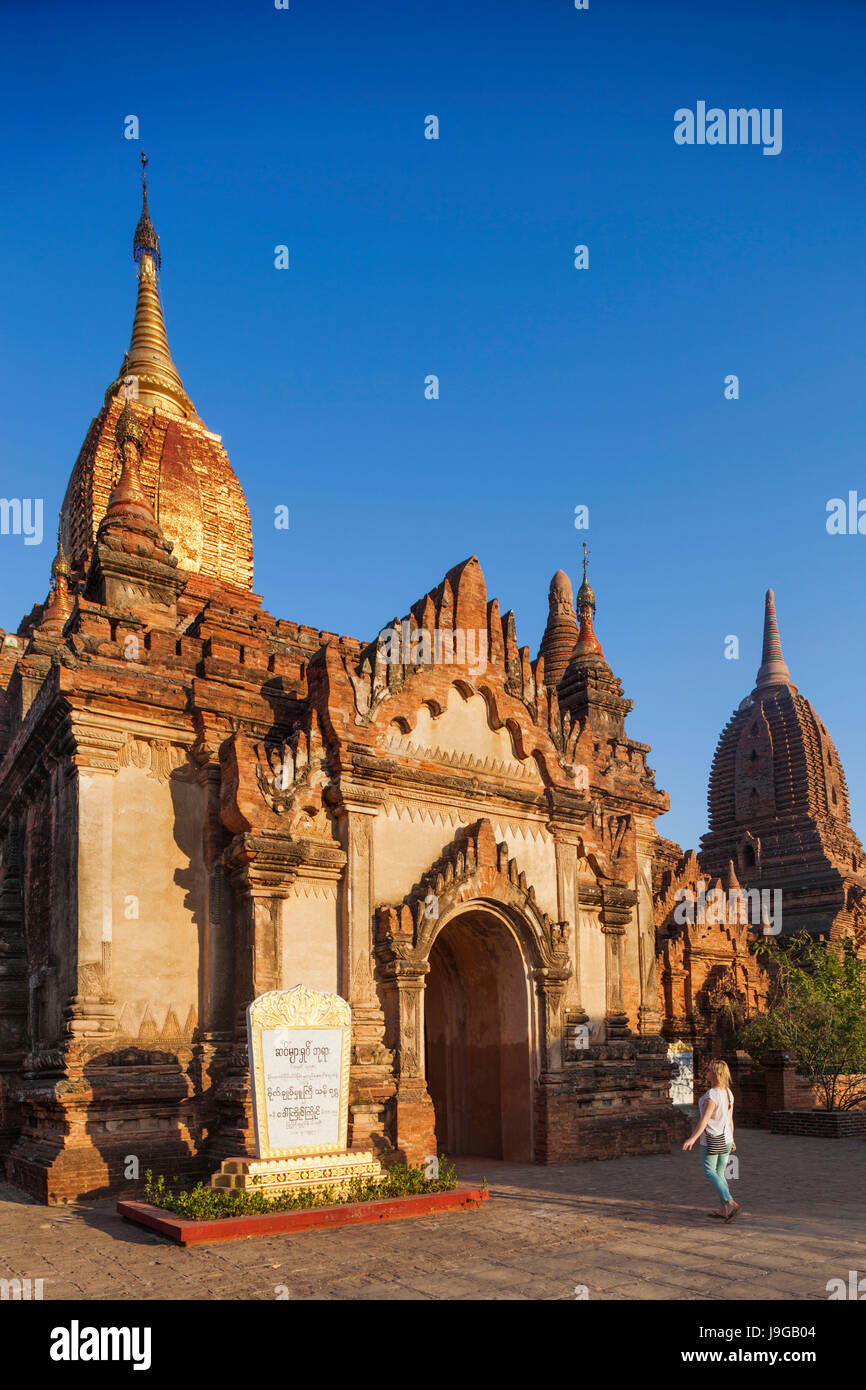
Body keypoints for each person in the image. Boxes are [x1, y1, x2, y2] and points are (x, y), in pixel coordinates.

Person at [682, 1059, 739, 1222]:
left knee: (709, 1172)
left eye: (708, 1070)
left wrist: (692, 1137)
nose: (705, 1072)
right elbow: (730, 1120)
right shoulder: (729, 1093)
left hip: (712, 1139)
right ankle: (724, 1208)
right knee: (720, 1173)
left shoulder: (712, 1095)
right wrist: (732, 1138)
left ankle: (729, 1202)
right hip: (726, 1138)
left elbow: (705, 1119)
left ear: (715, 1074)